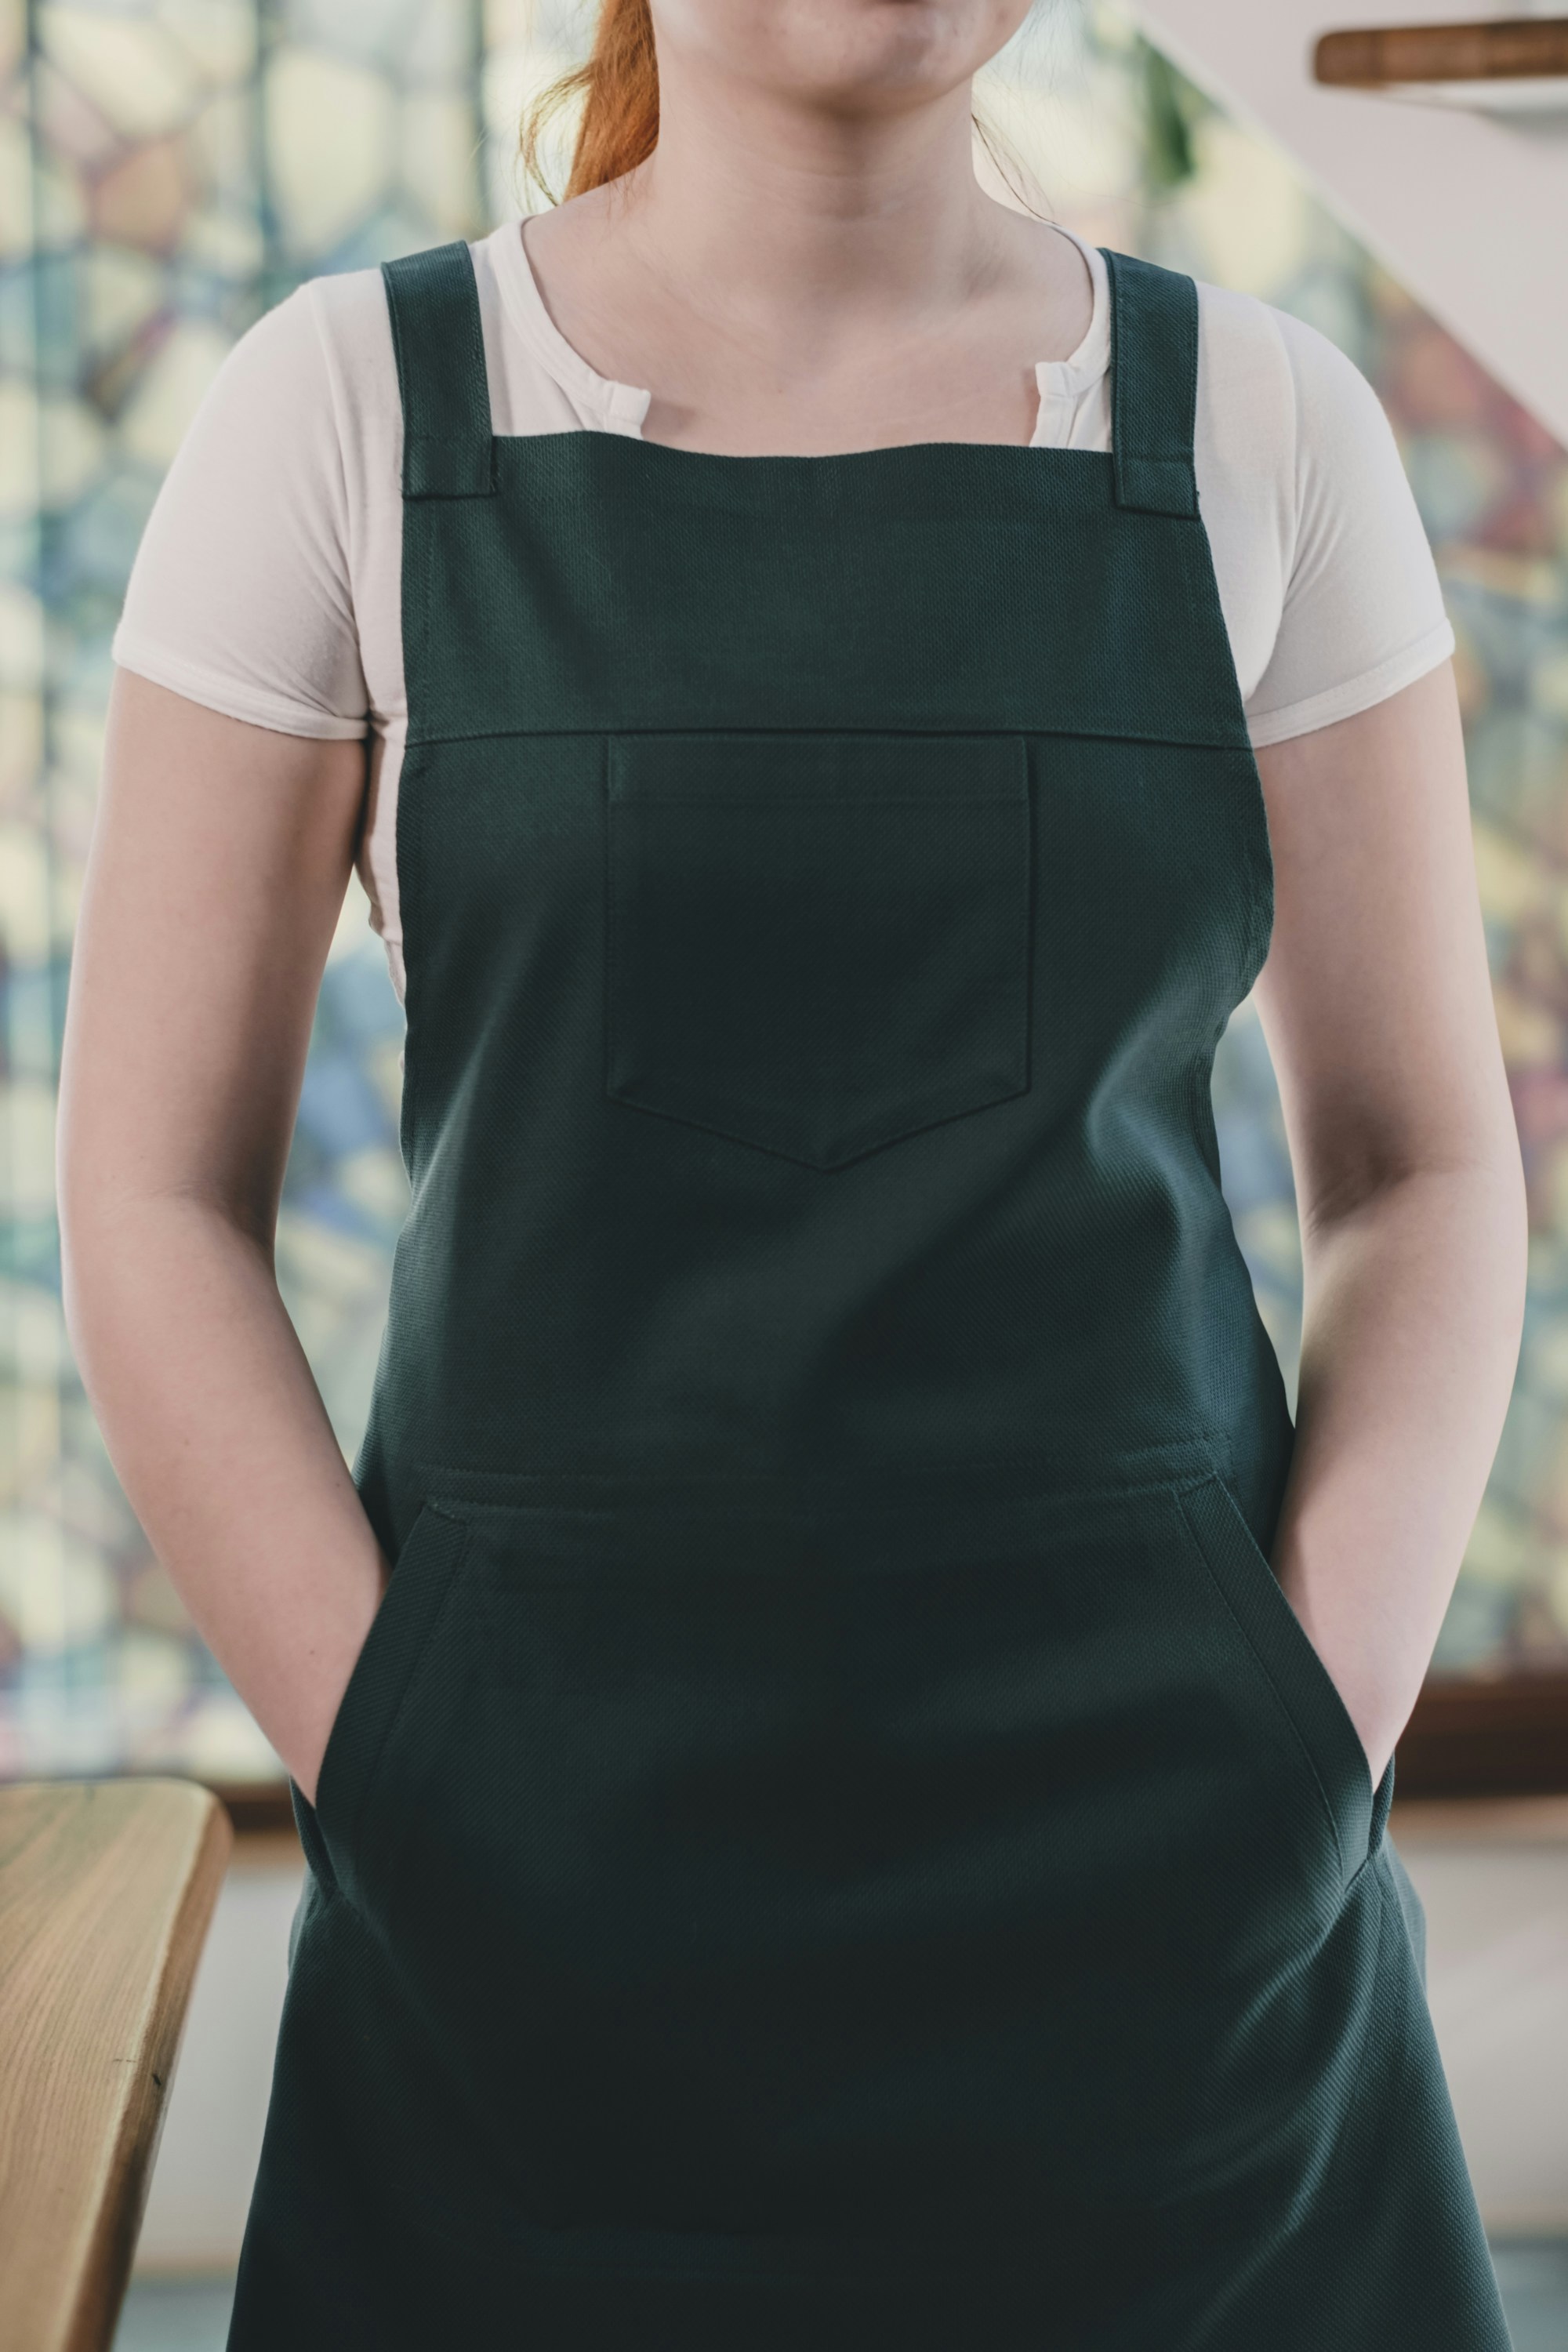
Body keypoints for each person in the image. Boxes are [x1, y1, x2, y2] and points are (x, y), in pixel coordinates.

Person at [58, 2, 1526, 2344]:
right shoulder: (341, 408)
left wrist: (1308, 1725)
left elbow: (1420, 1165)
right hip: (523, 1927)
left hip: (1177, 1926)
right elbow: (147, 1193)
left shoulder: (1264, 424)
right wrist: (396, 1752)